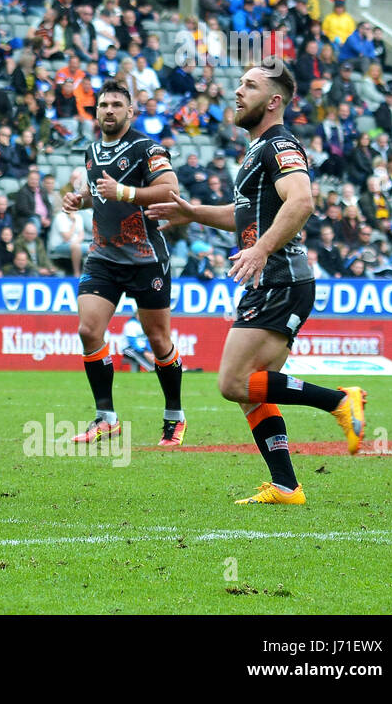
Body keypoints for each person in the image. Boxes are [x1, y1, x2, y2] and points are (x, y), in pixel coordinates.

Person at [147, 66, 367, 504]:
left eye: (250, 85)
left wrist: (262, 249)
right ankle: (286, 485)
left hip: (281, 279)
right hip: (271, 281)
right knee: (255, 386)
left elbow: (302, 200)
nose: (238, 91)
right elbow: (242, 214)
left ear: (274, 101)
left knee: (233, 382)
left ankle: (340, 400)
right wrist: (193, 213)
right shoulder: (256, 150)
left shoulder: (280, 144)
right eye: (240, 83)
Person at [61, 82, 186, 446]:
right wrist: (80, 200)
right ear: (96, 112)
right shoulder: (91, 151)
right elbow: (103, 196)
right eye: (103, 105)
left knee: (158, 339)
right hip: (103, 257)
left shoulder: (147, 149)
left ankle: (174, 416)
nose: (110, 110)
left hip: (146, 259)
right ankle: (106, 417)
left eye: (117, 104)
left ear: (131, 111)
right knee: (88, 330)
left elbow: (170, 190)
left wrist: (126, 192)